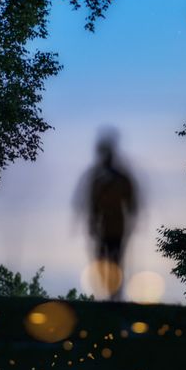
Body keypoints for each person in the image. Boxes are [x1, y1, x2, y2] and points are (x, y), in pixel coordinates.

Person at [74, 128, 139, 301]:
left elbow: (131, 202)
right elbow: (91, 203)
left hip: (116, 226)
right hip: (104, 226)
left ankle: (114, 295)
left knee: (114, 260)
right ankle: (110, 293)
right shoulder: (98, 177)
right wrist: (91, 223)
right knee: (103, 260)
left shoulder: (117, 177)